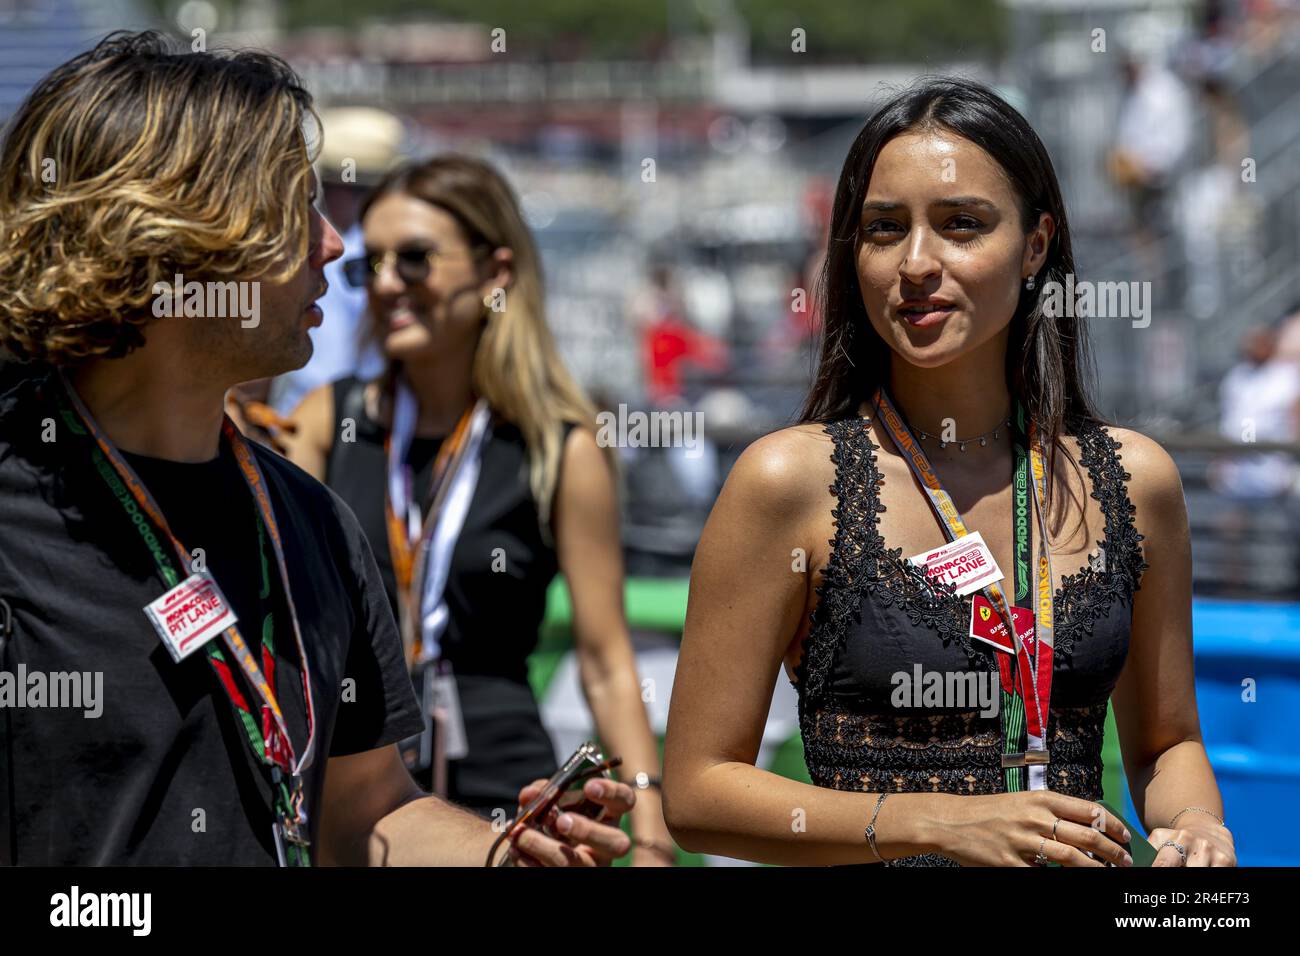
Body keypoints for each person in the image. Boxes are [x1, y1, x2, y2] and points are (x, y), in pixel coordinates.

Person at [0, 31, 633, 867]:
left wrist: (499, 856)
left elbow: (367, 809)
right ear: (176, 231)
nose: (335, 247)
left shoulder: (311, 521)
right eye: (294, 209)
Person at [662, 78, 1235, 867]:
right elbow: (696, 793)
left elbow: (1167, 743)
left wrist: (1197, 826)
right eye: (884, 230)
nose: (917, 263)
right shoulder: (787, 481)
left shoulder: (1136, 480)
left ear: (1036, 246)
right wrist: (934, 822)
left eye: (962, 225)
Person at [280, 156, 675, 864]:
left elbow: (606, 659)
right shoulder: (324, 422)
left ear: (496, 271)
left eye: (416, 260)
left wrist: (650, 837)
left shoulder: (560, 447)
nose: (389, 284)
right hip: (361, 798)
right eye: (372, 266)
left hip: (510, 790)